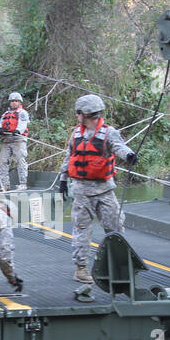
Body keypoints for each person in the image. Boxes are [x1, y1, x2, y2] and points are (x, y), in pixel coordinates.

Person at [56, 93, 136, 283]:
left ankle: (119, 266)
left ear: (85, 114)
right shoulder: (76, 133)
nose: (78, 117)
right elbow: (69, 156)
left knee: (115, 227)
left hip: (104, 190)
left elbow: (119, 147)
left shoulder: (109, 132)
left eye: (78, 113)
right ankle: (81, 269)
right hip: (81, 191)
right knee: (82, 229)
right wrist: (63, 179)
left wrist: (129, 155)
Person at [0, 91, 30, 190]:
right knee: (2, 161)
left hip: (18, 140)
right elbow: (0, 124)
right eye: (12, 101)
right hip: (7, 140)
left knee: (20, 160)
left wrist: (18, 131)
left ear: (20, 102)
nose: (14, 103)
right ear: (9, 102)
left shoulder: (22, 113)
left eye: (16, 101)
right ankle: (5, 184)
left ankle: (23, 183)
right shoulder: (5, 114)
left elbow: (22, 124)